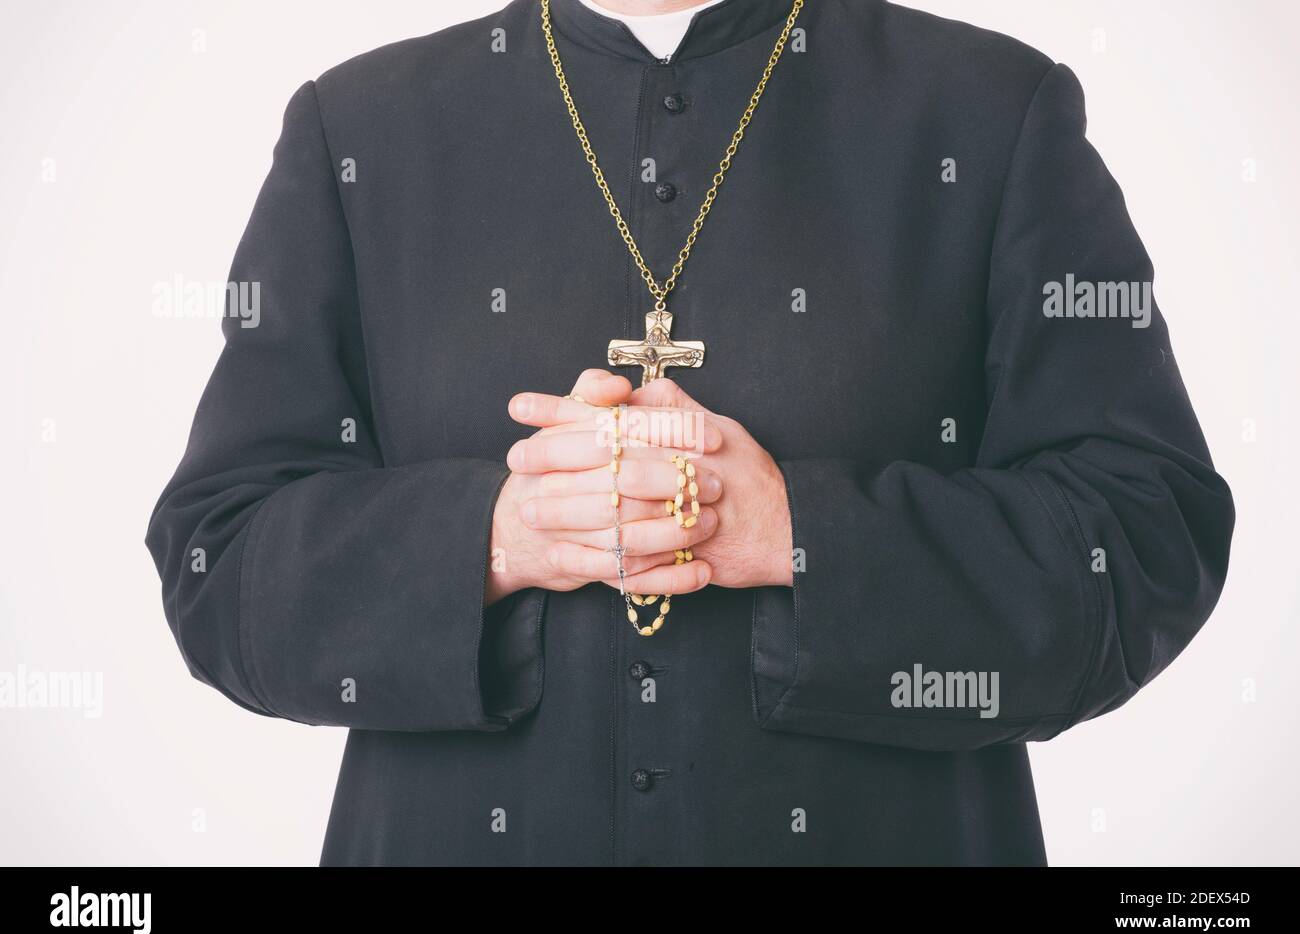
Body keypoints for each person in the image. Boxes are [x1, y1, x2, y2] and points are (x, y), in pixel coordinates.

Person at [146, 0, 1234, 865]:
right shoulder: (360, 129)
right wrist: (497, 538)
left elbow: (1148, 534)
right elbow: (215, 557)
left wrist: (794, 531)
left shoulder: (990, 111)